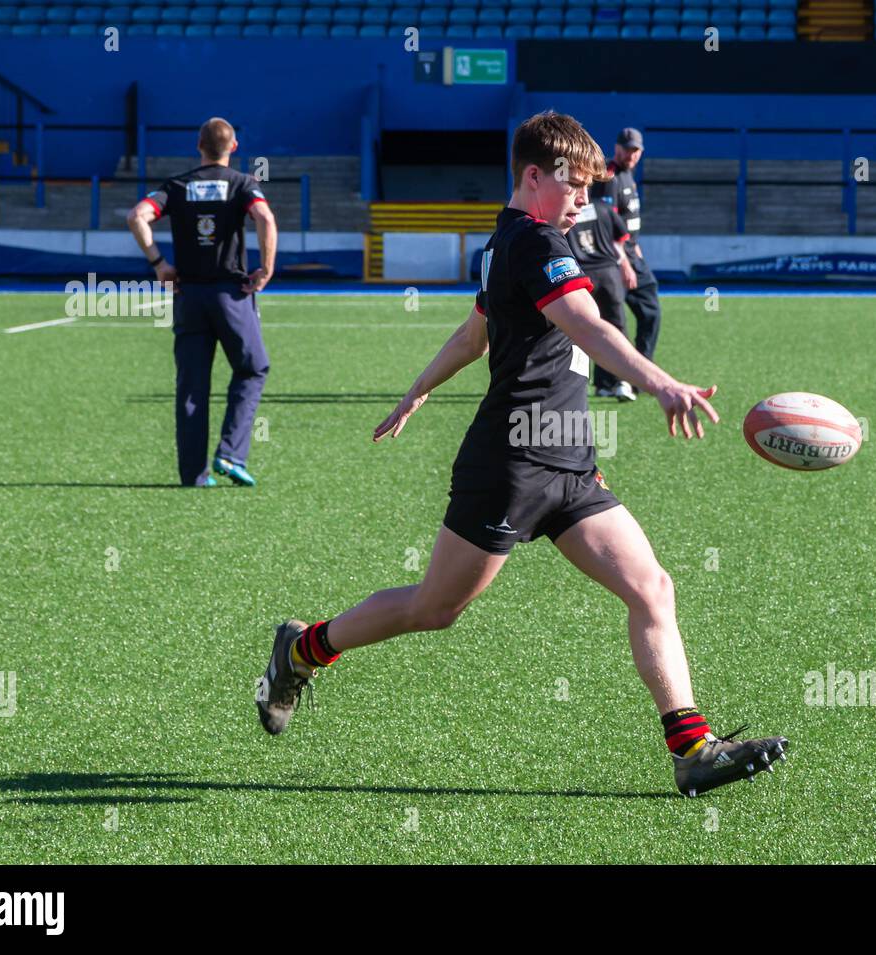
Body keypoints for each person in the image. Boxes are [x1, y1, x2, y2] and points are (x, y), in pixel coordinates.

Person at [253, 111, 787, 798]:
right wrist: (659, 382)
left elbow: (477, 331)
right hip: (508, 462)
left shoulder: (517, 241)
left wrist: (417, 389)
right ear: (534, 177)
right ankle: (301, 648)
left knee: (652, 586)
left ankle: (692, 749)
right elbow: (585, 324)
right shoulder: (530, 243)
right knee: (434, 608)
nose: (583, 205)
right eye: (574, 189)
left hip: (569, 460)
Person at [126, 117, 277, 488]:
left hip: (188, 295)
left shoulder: (177, 186)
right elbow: (265, 217)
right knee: (253, 367)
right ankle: (230, 453)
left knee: (192, 384)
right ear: (234, 147)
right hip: (231, 295)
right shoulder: (243, 183)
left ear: (199, 146)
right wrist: (267, 267)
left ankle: (193, 475)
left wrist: (159, 263)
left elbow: (137, 216)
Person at [590, 127, 660, 392]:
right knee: (613, 319)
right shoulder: (608, 177)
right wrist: (623, 262)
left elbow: (626, 222)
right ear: (617, 148)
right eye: (627, 148)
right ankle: (611, 381)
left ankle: (635, 374)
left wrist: (635, 249)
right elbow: (604, 223)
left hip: (631, 255)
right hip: (614, 260)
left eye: (635, 150)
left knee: (647, 313)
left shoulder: (628, 176)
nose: (631, 153)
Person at [565, 194, 639, 401]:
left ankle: (587, 384)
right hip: (608, 273)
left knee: (577, 330)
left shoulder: (567, 212)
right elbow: (621, 238)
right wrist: (626, 265)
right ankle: (621, 382)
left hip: (577, 274)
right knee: (616, 327)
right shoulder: (606, 209)